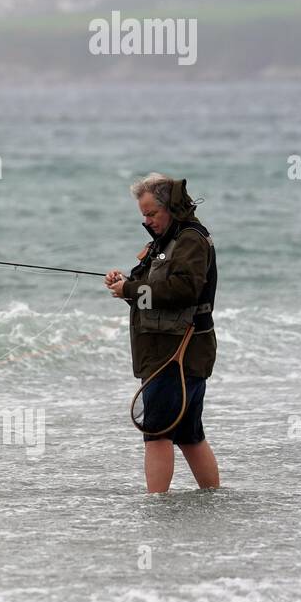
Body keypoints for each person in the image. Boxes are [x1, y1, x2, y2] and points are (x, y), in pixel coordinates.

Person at [104, 173, 221, 493]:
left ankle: (156, 509)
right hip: (178, 353)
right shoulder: (169, 240)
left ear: (170, 207)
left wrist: (130, 288)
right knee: (188, 435)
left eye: (151, 213)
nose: (146, 220)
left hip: (176, 355)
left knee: (157, 435)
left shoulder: (190, 240)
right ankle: (213, 500)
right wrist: (124, 284)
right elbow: (154, 290)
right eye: (143, 214)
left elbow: (183, 291)